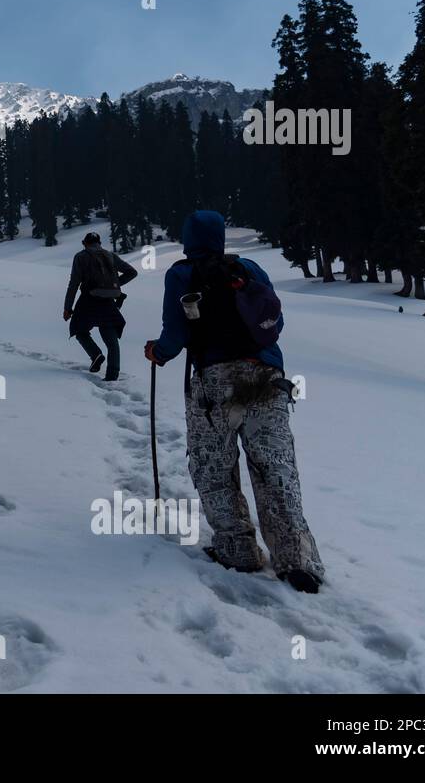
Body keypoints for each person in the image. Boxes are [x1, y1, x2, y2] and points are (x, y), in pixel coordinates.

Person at [144, 210, 325, 594]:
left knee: (214, 465)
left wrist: (158, 353)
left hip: (215, 383)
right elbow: (274, 321)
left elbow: (174, 335)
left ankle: (237, 547)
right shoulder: (251, 268)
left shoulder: (180, 275)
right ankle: (297, 559)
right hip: (268, 379)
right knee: (275, 467)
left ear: (188, 238)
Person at [63, 232, 137, 381]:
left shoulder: (81, 256)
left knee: (78, 329)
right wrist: (113, 285)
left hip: (88, 300)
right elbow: (132, 272)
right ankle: (112, 375)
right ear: (99, 242)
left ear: (84, 243)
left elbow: (74, 284)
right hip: (109, 302)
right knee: (111, 339)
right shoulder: (110, 255)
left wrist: (67, 308)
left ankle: (95, 354)